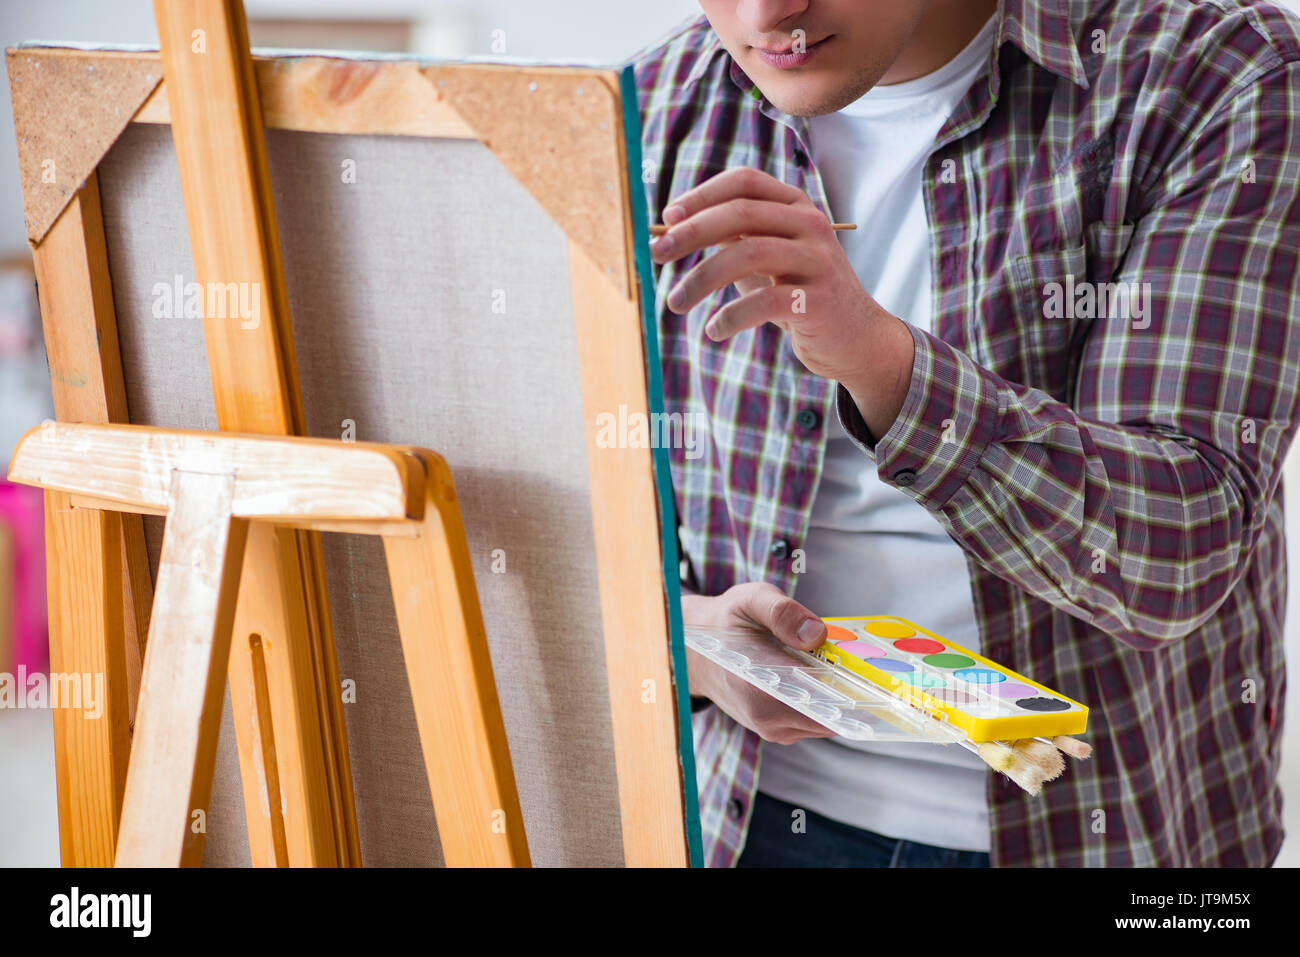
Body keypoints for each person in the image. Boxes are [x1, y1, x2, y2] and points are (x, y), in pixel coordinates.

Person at [633, 0, 1300, 867]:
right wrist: (690, 642)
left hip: (1109, 836)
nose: (769, 12)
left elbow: (1176, 556)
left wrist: (883, 363)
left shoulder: (1215, 74)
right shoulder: (653, 102)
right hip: (736, 817)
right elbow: (570, 521)